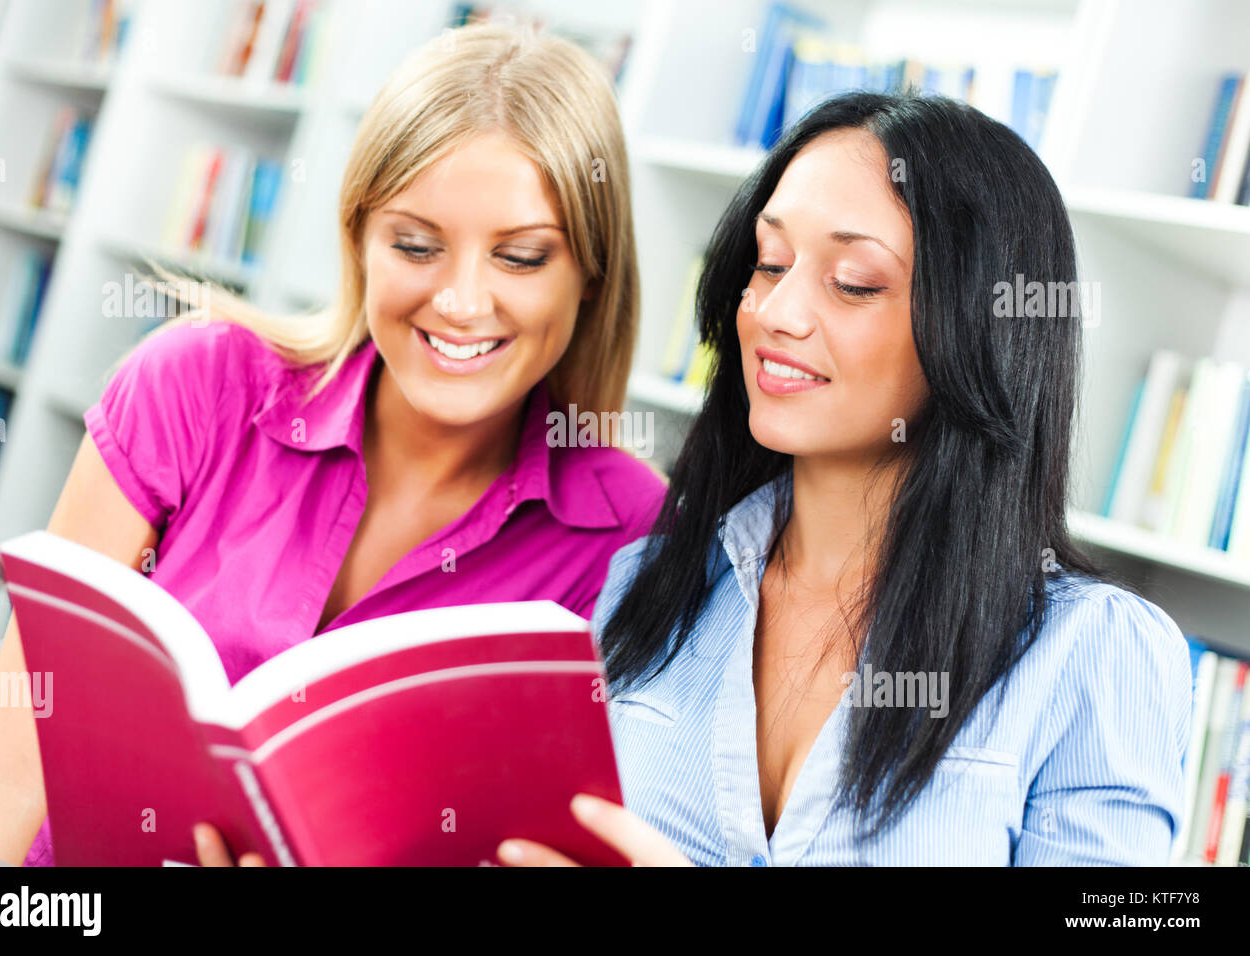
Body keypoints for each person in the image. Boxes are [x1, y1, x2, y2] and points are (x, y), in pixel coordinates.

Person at [0, 22, 665, 867]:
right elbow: (3, 765)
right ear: (360, 238)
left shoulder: (627, 533)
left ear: (590, 272)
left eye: (519, 257)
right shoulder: (197, 383)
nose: (463, 302)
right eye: (416, 244)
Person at [496, 91, 1193, 867]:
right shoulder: (648, 588)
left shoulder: (1095, 654)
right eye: (768, 263)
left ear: (980, 330)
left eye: (855, 282)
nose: (776, 312)